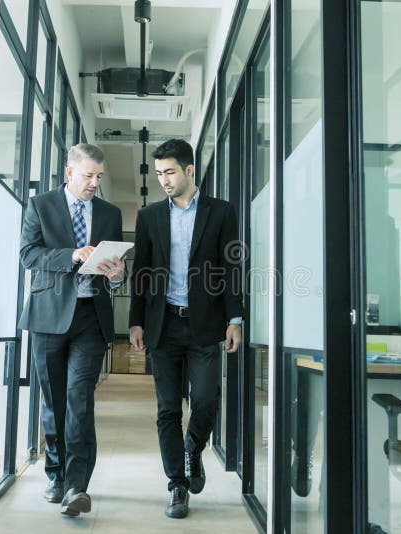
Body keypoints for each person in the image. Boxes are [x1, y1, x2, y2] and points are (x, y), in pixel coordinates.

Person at [129, 138, 243, 519]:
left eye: (170, 172)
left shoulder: (222, 212)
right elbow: (141, 274)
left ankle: (194, 446)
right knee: (167, 410)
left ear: (190, 170)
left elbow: (231, 269)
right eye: (159, 173)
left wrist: (235, 319)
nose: (163, 179)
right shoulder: (149, 217)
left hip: (205, 325)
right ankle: (177, 485)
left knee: (208, 399)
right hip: (163, 325)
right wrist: (136, 321)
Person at [18, 143, 125, 517]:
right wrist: (71, 255)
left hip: (90, 319)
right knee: (54, 401)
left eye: (99, 176)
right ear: (70, 173)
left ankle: (78, 484)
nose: (95, 183)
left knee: (80, 400)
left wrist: (117, 276)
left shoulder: (110, 214)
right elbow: (28, 254)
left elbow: (116, 267)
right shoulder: (41, 205)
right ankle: (56, 475)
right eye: (88, 176)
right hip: (48, 317)